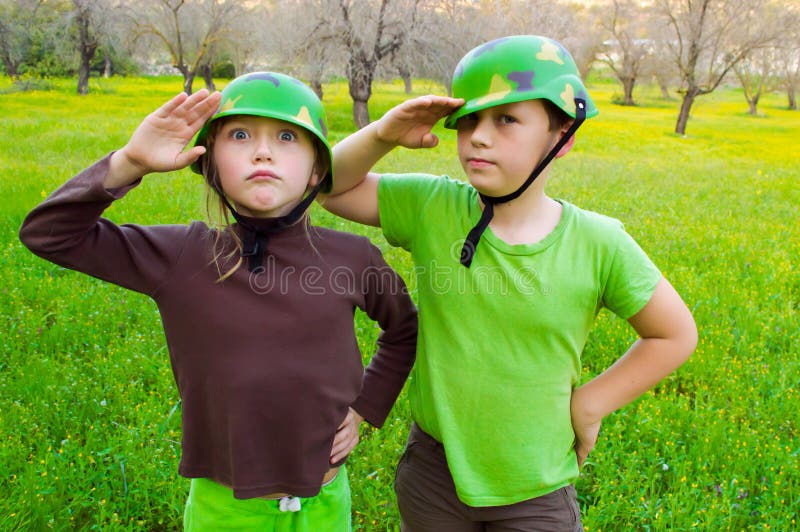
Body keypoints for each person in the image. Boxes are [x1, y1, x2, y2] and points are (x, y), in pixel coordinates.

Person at [320, 35, 697, 531]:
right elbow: (327, 187)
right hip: (435, 476)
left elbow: (674, 334)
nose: (478, 137)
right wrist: (383, 134)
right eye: (469, 121)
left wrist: (591, 402)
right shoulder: (433, 206)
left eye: (507, 120)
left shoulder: (599, 242)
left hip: (536, 488)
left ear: (562, 136)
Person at [19, 72, 418, 531]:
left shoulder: (353, 257)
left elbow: (404, 327)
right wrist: (130, 161)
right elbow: (47, 235)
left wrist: (366, 406)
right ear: (210, 163)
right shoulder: (183, 255)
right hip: (223, 509)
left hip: (325, 502)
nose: (262, 151)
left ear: (316, 170)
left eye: (287, 137)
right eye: (240, 135)